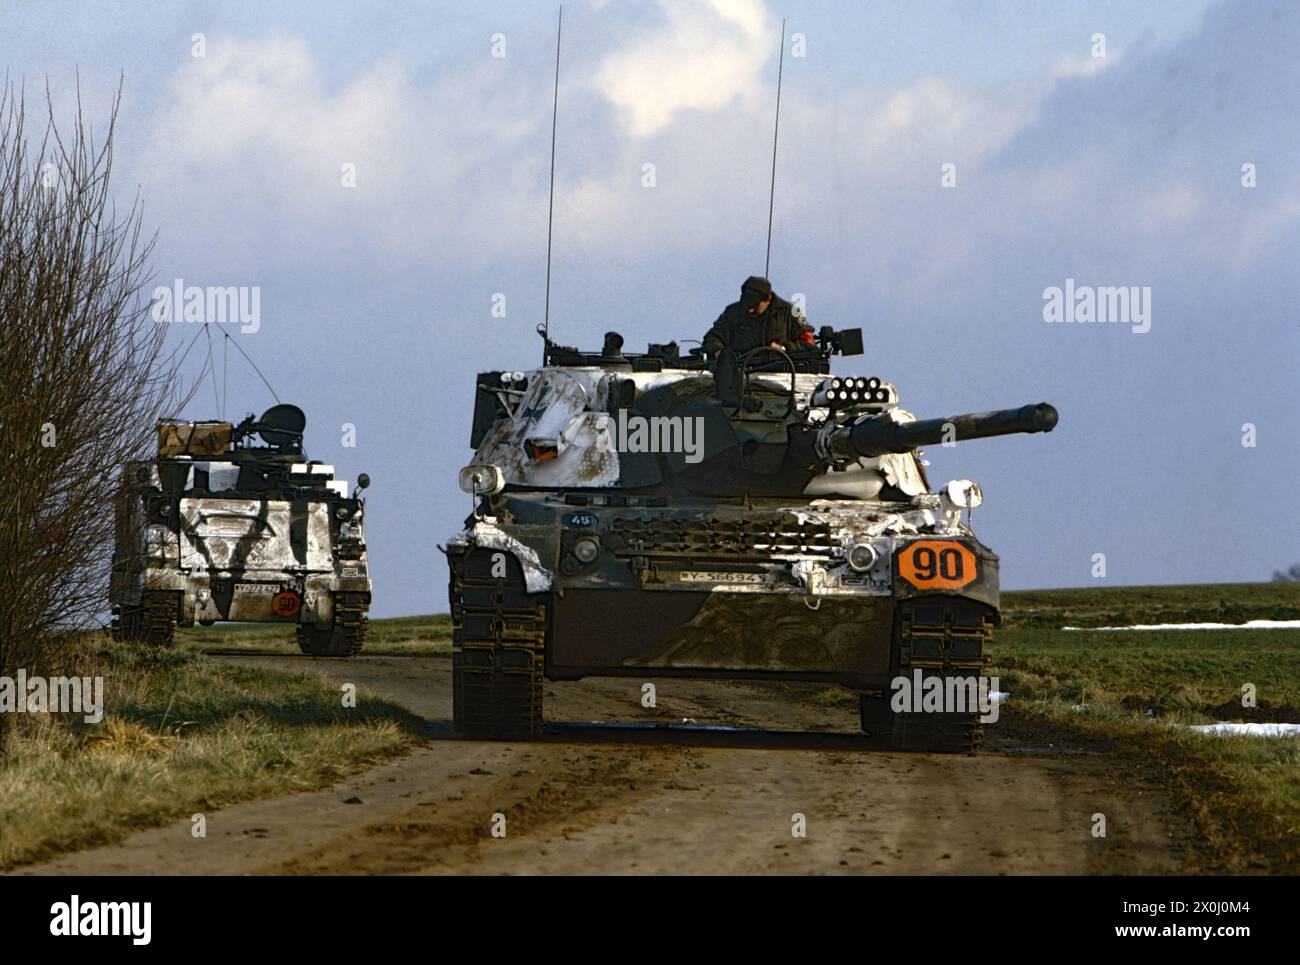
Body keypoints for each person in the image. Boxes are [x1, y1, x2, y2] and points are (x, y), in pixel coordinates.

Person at [702, 276, 811, 357]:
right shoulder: (732, 312)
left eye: (754, 306)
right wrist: (720, 354)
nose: (750, 310)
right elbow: (712, 337)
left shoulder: (793, 311)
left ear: (767, 300)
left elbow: (810, 344)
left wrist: (784, 348)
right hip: (740, 373)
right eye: (746, 304)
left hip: (782, 374)